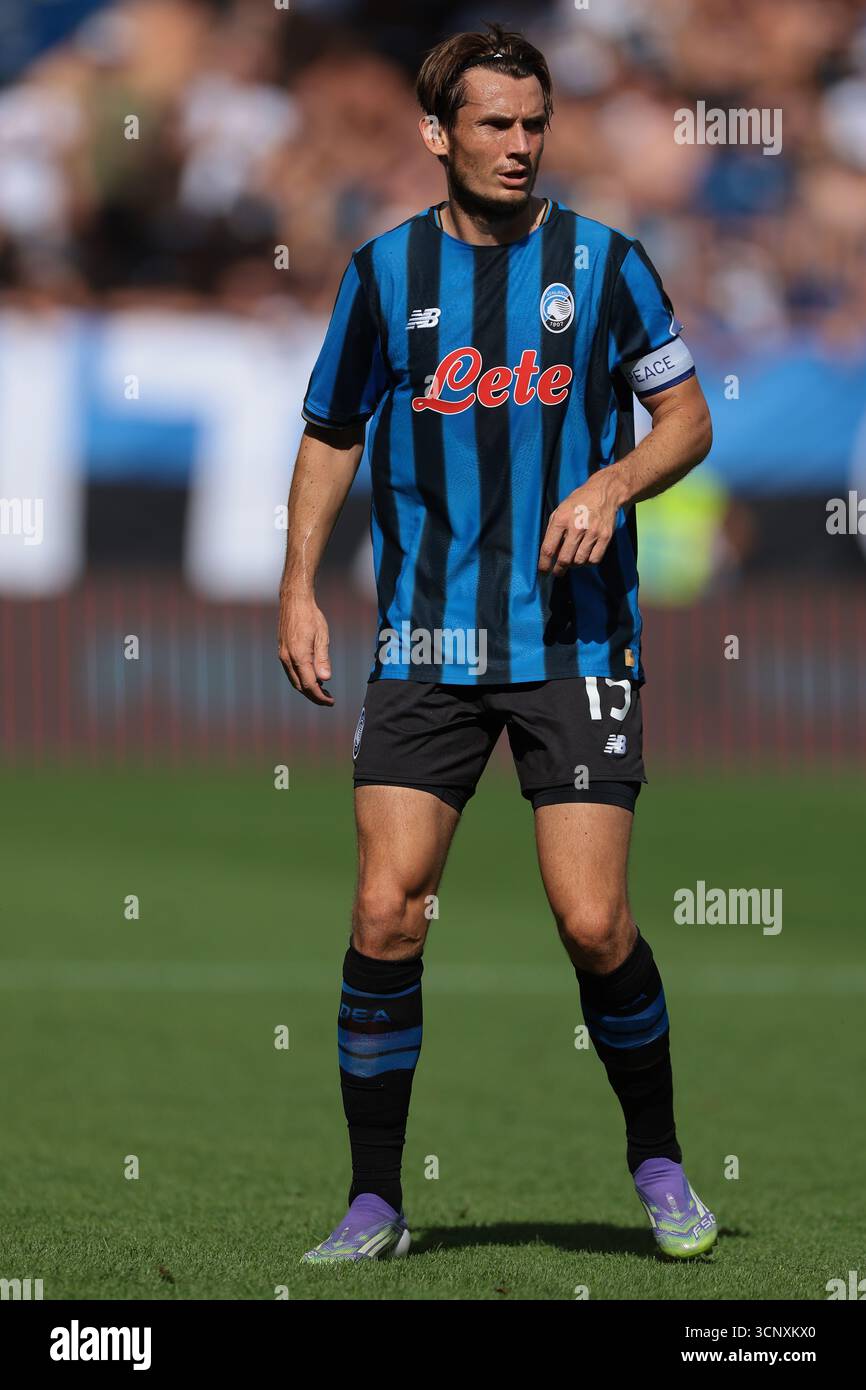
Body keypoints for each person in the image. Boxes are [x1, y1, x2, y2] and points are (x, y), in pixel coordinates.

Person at [278, 23, 717, 1263]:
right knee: (386, 907)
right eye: (493, 125)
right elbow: (328, 432)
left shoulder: (608, 265)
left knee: (590, 921)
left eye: (533, 125)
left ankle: (659, 1158)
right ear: (438, 135)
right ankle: (373, 1200)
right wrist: (296, 584)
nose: (519, 146)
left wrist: (612, 484)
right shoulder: (380, 274)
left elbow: (684, 418)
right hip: (422, 639)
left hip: (573, 640)